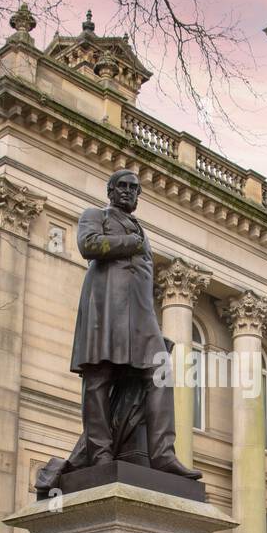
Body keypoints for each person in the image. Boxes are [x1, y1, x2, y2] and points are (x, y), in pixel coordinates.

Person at [70, 169, 201, 477]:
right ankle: (99, 453)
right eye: (122, 186)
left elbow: (141, 287)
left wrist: (154, 328)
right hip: (104, 312)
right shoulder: (96, 215)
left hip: (139, 319)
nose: (128, 191)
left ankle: (163, 454)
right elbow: (87, 245)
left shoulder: (141, 230)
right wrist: (128, 241)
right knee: (99, 379)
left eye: (134, 188)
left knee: (159, 374)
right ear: (110, 191)